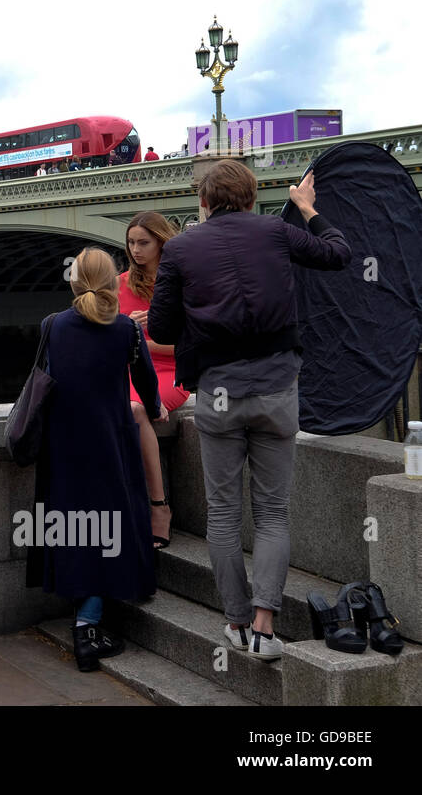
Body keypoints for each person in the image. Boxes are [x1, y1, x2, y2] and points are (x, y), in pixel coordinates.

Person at [148, 160, 350, 659]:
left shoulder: (179, 249)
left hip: (218, 394)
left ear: (204, 200)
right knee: (273, 514)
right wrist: (307, 210)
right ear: (250, 195)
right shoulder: (277, 231)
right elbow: (339, 254)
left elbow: (162, 329)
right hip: (278, 387)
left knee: (223, 513)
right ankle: (264, 625)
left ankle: (235, 624)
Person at [25, 247, 161, 672]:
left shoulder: (53, 326)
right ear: (110, 280)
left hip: (63, 447)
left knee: (73, 526)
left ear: (74, 280)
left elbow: (43, 381)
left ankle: (84, 623)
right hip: (110, 445)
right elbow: (149, 391)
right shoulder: (125, 331)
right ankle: (88, 626)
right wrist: (153, 409)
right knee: (110, 528)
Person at [120, 212, 189, 548]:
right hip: (128, 370)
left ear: (162, 242)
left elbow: (190, 347)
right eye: (131, 242)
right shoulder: (120, 285)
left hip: (171, 372)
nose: (136, 250)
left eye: (143, 242)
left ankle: (159, 508)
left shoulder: (181, 284)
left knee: (135, 409)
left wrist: (141, 341)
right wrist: (124, 332)